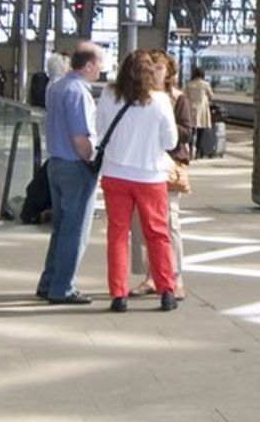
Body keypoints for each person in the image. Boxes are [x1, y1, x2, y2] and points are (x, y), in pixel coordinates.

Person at [96, 49, 179, 313]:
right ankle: (166, 291)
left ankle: (118, 295)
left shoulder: (109, 95)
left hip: (115, 175)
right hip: (149, 177)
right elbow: (171, 142)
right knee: (157, 234)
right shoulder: (160, 101)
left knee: (118, 235)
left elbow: (99, 131)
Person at [35, 41, 105, 304]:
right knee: (75, 231)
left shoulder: (58, 87)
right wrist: (92, 161)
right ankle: (62, 288)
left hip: (56, 163)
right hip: (75, 166)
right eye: (99, 64)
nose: (101, 68)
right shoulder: (77, 91)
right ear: (88, 65)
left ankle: (49, 282)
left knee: (61, 228)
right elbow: (80, 136)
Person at [129, 51, 192, 300]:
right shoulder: (138, 99)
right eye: (151, 67)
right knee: (141, 222)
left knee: (169, 221)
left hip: (167, 168)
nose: (154, 72)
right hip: (142, 166)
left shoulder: (178, 99)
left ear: (168, 73)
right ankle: (150, 276)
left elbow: (186, 132)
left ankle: (175, 276)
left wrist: (162, 123)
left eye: (159, 68)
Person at [184, 66, 214, 159]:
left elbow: (183, 95)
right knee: (201, 132)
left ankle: (189, 150)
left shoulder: (189, 84)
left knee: (191, 131)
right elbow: (212, 96)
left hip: (191, 110)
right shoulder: (205, 85)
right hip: (202, 111)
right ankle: (198, 151)